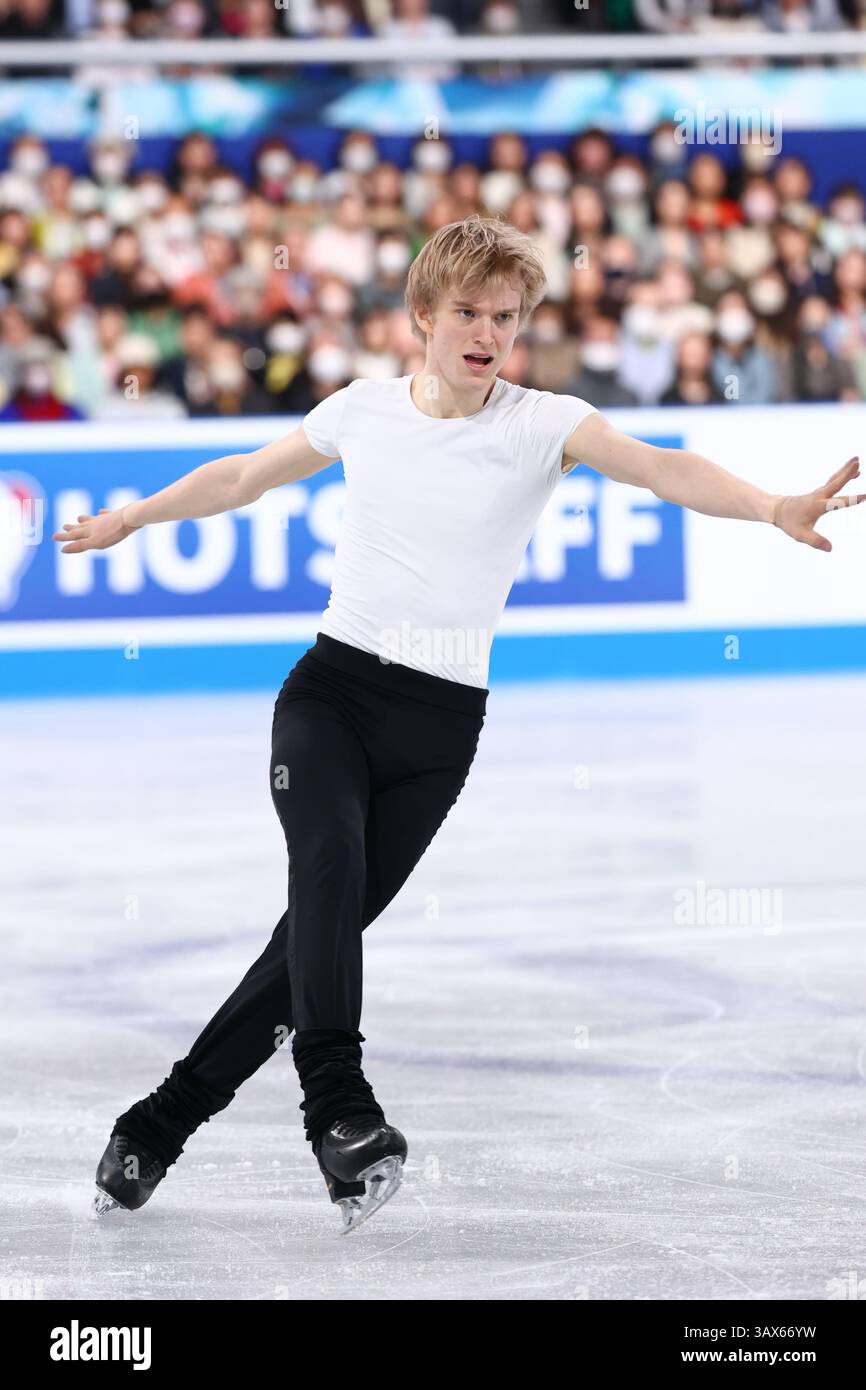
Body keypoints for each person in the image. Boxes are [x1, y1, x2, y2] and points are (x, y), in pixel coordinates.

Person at [52, 215, 866, 1232]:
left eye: (506, 317)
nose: (487, 333)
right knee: (329, 869)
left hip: (438, 734)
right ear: (422, 317)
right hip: (330, 697)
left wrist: (769, 505)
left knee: (314, 936)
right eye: (469, 313)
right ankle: (339, 1111)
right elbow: (241, 476)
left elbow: (661, 466)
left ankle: (154, 1127)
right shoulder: (362, 410)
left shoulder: (541, 422)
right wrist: (133, 516)